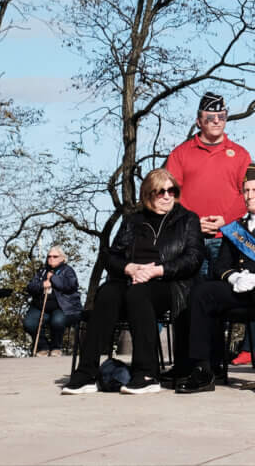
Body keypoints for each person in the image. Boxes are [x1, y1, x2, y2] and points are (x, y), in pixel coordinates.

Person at [64, 168, 206, 395]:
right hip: (132, 277)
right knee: (107, 293)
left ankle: (147, 374)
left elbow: (193, 258)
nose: (168, 196)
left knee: (138, 294)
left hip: (169, 283)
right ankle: (86, 373)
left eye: (172, 191)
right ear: (149, 194)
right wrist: (129, 268)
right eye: (161, 192)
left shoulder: (188, 219)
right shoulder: (133, 220)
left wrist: (157, 270)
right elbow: (111, 256)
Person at [171, 165, 255, 395]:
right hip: (240, 289)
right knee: (202, 292)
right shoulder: (236, 228)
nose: (250, 195)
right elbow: (221, 265)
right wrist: (233, 276)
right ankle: (203, 368)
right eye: (246, 191)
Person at [164, 92, 252, 270]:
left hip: (229, 237)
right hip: (189, 239)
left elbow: (248, 194)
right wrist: (193, 223)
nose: (216, 121)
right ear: (198, 121)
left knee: (226, 293)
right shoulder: (179, 154)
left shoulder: (241, 154)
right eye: (210, 117)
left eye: (221, 116)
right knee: (191, 295)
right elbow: (169, 196)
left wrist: (225, 220)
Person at [22, 245, 82, 355]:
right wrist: (42, 285)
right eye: (49, 256)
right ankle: (43, 347)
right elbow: (30, 287)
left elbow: (70, 286)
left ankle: (56, 347)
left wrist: (53, 279)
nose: (51, 258)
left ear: (62, 258)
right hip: (40, 306)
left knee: (57, 321)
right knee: (29, 323)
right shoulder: (42, 271)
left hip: (62, 306)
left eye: (55, 256)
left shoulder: (68, 271)